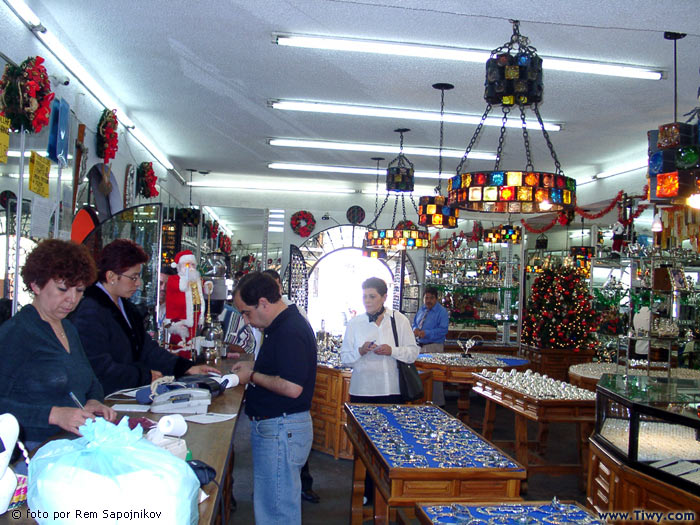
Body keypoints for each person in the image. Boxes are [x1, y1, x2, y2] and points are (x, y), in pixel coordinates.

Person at [0, 239, 117, 449]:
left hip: (71, 445)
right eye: (63, 289)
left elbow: (91, 383)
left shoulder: (69, 329)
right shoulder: (17, 333)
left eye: (80, 291)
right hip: (32, 451)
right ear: (36, 285)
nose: (72, 299)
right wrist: (53, 415)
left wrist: (93, 401)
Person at [70, 239, 218, 396]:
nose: (138, 283)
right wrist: (145, 376)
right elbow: (98, 366)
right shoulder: (90, 310)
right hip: (104, 398)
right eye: (133, 277)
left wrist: (186, 367)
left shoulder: (125, 307)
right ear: (111, 276)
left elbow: (147, 349)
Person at [231, 272, 316, 525]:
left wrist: (252, 376)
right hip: (279, 427)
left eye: (246, 312)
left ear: (264, 303)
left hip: (282, 428)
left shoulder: (290, 330)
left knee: (277, 512)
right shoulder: (280, 326)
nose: (246, 321)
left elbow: (292, 387)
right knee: (273, 505)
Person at [262, 268, 319, 504]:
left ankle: (302, 486)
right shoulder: (260, 313)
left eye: (276, 284)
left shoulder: (292, 316)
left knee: (292, 451)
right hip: (271, 390)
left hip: (288, 403)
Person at [340, 277, 419, 403]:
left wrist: (392, 351)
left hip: (392, 390)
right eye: (364, 296)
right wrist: (360, 351)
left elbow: (412, 353)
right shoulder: (354, 323)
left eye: (372, 296)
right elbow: (344, 359)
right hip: (361, 390)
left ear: (384, 298)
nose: (367, 301)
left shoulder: (399, 320)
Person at [412, 285, 449, 406]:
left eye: (431, 298)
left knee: (434, 377)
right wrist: (415, 329)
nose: (428, 300)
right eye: (426, 298)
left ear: (436, 299)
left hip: (434, 347)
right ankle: (421, 401)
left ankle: (437, 404)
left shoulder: (441, 312)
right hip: (420, 346)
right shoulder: (422, 310)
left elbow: (443, 330)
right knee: (420, 375)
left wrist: (426, 333)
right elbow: (414, 323)